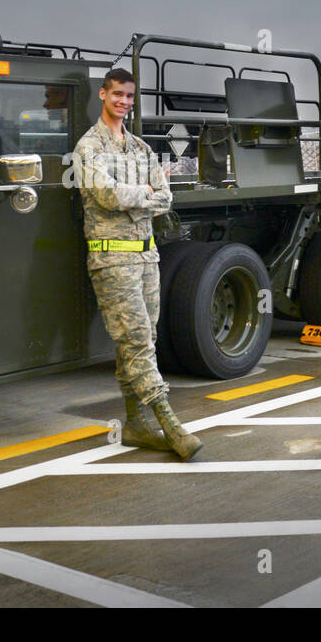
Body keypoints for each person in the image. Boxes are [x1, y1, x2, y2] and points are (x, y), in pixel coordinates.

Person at [73, 68, 202, 460]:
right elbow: (108, 196)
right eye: (117, 94)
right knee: (136, 341)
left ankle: (135, 424)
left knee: (143, 340)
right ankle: (169, 423)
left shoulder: (142, 149)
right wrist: (143, 192)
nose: (123, 102)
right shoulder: (88, 147)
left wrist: (137, 194)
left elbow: (166, 198)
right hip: (112, 258)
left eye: (129, 96)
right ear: (103, 94)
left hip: (146, 256)